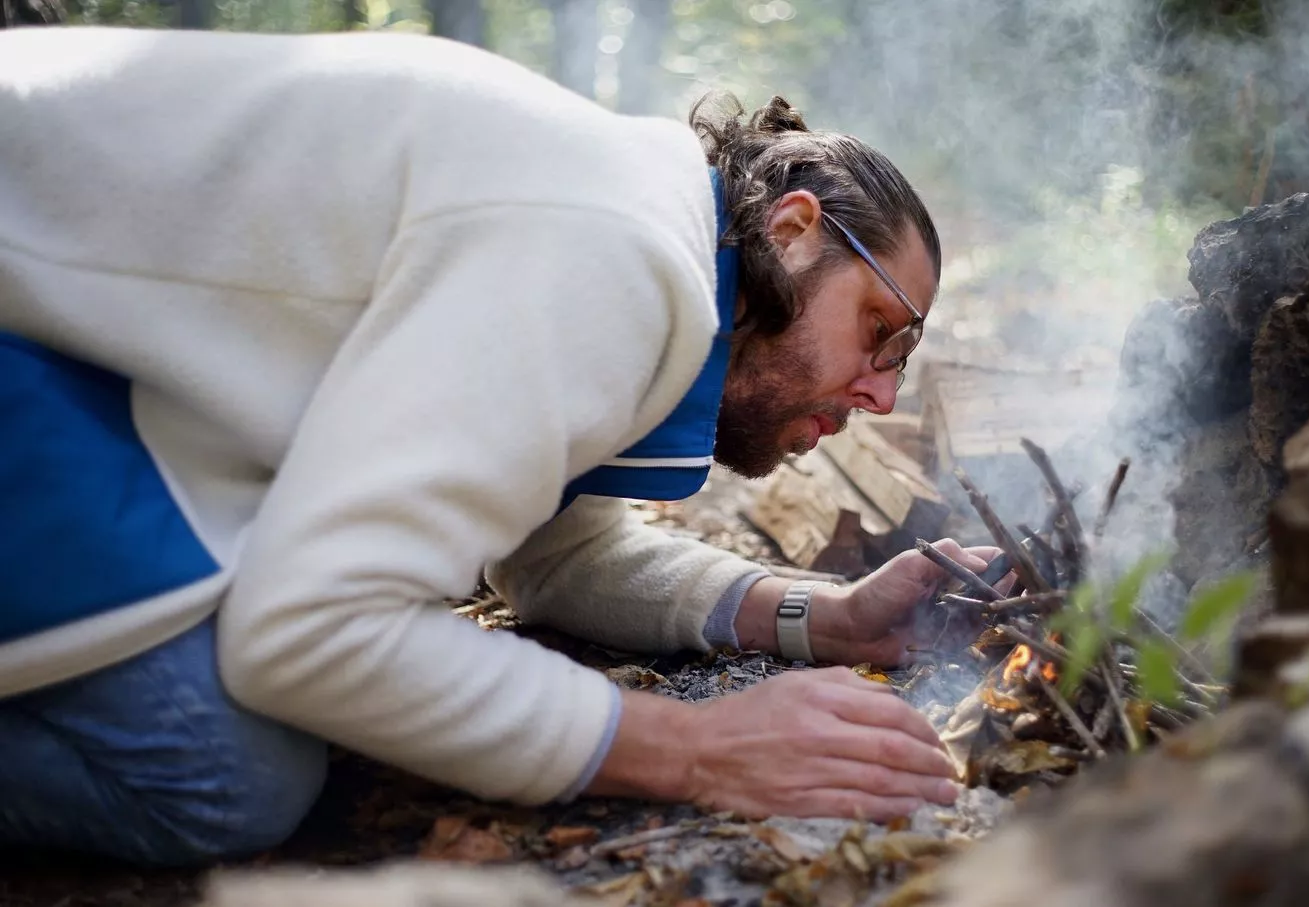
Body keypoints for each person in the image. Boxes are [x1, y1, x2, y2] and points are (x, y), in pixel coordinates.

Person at [0, 25, 1003, 867]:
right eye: (883, 331)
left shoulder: (636, 226)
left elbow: (559, 553)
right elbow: (304, 633)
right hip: (33, 338)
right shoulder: (608, 248)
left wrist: (823, 620)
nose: (879, 394)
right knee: (227, 772)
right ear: (792, 231)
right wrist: (694, 747)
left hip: (77, 344)